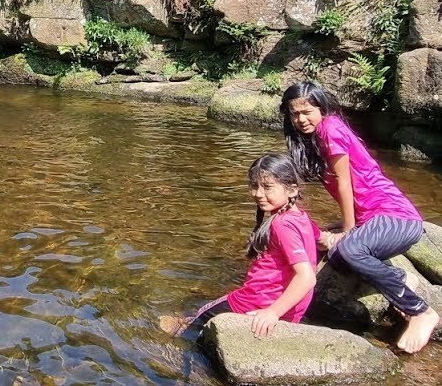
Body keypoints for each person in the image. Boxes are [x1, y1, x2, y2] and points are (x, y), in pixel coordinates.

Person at [282, 81, 438, 353]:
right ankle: (396, 277)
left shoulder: (330, 128)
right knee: (338, 255)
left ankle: (420, 311)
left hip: (396, 216)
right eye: (294, 114)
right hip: (375, 220)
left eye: (307, 111)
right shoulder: (315, 138)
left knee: (350, 248)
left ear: (321, 108)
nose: (301, 119)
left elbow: (345, 183)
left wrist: (349, 229)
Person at [160, 154, 319, 339]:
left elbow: (307, 277)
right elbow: (316, 237)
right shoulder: (300, 217)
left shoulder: (282, 224)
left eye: (267, 187)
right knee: (208, 308)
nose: (258, 194)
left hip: (258, 302)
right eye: (254, 186)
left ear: (292, 190)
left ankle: (178, 342)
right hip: (283, 306)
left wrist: (273, 312)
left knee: (198, 322)